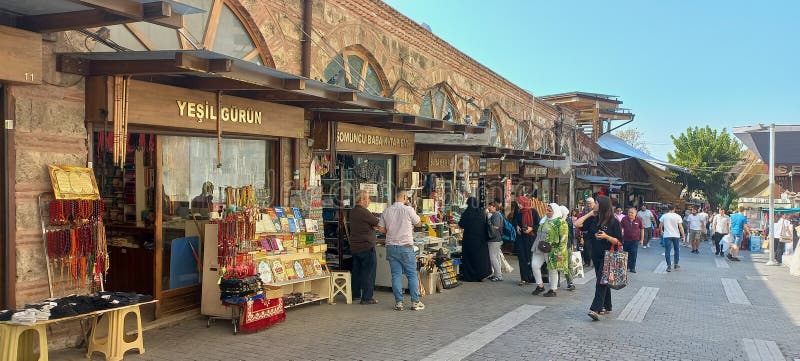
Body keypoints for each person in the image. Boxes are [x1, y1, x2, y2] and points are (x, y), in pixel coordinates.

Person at [575, 196, 622, 321]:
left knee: (601, 281)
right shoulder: (593, 219)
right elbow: (577, 224)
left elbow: (618, 241)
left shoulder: (614, 221)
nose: (594, 205)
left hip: (608, 255)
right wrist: (590, 213)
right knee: (603, 280)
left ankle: (596, 309)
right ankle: (607, 305)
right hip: (596, 255)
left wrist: (606, 236)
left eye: (596, 203)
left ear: (602, 205)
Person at [378, 189, 424, 311]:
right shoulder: (408, 210)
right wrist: (409, 206)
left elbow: (381, 229)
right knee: (411, 274)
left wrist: (391, 231)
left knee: (396, 275)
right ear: (404, 196)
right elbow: (418, 223)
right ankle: (415, 302)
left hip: (391, 247)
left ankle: (399, 302)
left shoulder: (387, 211)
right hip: (406, 247)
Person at [530, 203, 568, 297]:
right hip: (540, 246)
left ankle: (553, 289)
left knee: (552, 269)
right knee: (535, 265)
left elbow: (564, 239)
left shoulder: (561, 222)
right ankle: (540, 285)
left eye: (549, 211)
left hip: (553, 249)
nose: (546, 212)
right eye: (546, 210)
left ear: (555, 211)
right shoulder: (545, 219)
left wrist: (559, 252)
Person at [349, 190, 380, 304]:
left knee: (357, 272)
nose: (369, 200)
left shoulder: (353, 211)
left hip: (356, 246)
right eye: (367, 198)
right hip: (366, 246)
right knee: (368, 273)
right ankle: (367, 297)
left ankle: (355, 294)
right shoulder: (364, 212)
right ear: (361, 200)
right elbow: (376, 222)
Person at [457, 197, 492, 282]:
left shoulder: (467, 213)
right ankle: (481, 275)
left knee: (469, 258)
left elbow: (461, 224)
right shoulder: (481, 212)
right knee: (480, 257)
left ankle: (470, 276)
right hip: (481, 239)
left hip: (469, 239)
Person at [512, 196, 539, 285]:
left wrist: (531, 229)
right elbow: (514, 220)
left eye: (520, 203)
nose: (519, 205)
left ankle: (532, 277)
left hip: (531, 238)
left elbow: (538, 225)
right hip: (521, 238)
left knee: (531, 258)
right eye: (518, 204)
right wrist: (517, 226)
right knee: (522, 258)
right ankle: (523, 278)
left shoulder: (533, 212)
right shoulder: (518, 211)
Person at [660, 204, 685, 272]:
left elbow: (660, 225)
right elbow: (680, 227)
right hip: (676, 235)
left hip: (667, 235)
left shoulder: (664, 216)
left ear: (668, 208)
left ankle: (668, 266)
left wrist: (661, 231)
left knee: (667, 251)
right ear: (674, 209)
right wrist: (683, 236)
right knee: (676, 250)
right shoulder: (678, 216)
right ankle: (676, 264)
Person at [486, 200, 505, 281]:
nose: (488, 208)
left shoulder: (496, 215)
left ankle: (498, 275)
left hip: (495, 239)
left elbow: (496, 227)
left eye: (490, 206)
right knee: (495, 257)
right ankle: (497, 274)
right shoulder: (496, 214)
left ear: (494, 207)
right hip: (496, 239)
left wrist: (488, 220)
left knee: (492, 257)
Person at [620, 207, 643, 273]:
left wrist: (642, 239)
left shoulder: (639, 220)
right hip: (626, 239)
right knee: (626, 253)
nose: (630, 214)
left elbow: (642, 229)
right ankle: (626, 267)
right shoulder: (624, 219)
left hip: (635, 240)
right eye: (629, 212)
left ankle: (632, 267)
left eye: (632, 213)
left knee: (633, 253)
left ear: (635, 214)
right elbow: (620, 228)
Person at [560, 205, 577, 291]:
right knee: (558, 264)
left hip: (567, 245)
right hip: (558, 246)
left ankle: (570, 282)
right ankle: (557, 281)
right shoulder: (557, 221)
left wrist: (572, 244)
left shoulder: (568, 220)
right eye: (565, 214)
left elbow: (571, 234)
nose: (566, 215)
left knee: (568, 264)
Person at [580, 197, 596, 267]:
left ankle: (594, 262)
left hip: (594, 231)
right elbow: (582, 219)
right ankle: (587, 262)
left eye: (590, 203)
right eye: (587, 203)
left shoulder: (596, 209)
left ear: (593, 203)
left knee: (594, 247)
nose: (589, 205)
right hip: (586, 231)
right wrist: (582, 229)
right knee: (586, 247)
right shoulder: (584, 209)